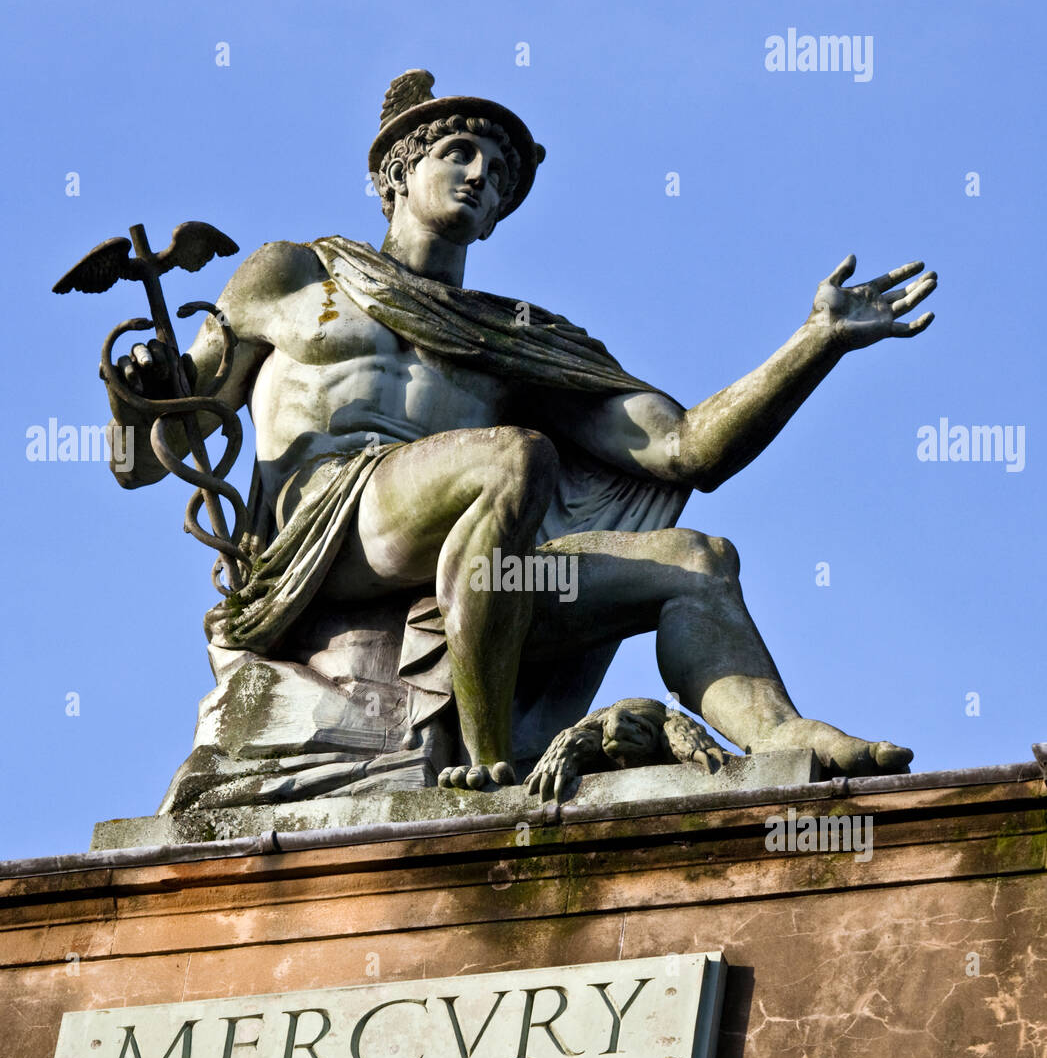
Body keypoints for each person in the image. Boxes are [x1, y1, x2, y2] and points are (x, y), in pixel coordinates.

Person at [108, 71, 936, 789]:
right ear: (398, 171)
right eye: (460, 155)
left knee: (697, 562)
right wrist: (134, 399)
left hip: (481, 562)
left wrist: (814, 342)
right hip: (325, 529)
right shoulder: (294, 273)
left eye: (499, 172)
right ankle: (485, 755)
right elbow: (155, 455)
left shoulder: (515, 339)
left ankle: (779, 735)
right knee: (509, 458)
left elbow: (690, 449)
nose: (481, 177)